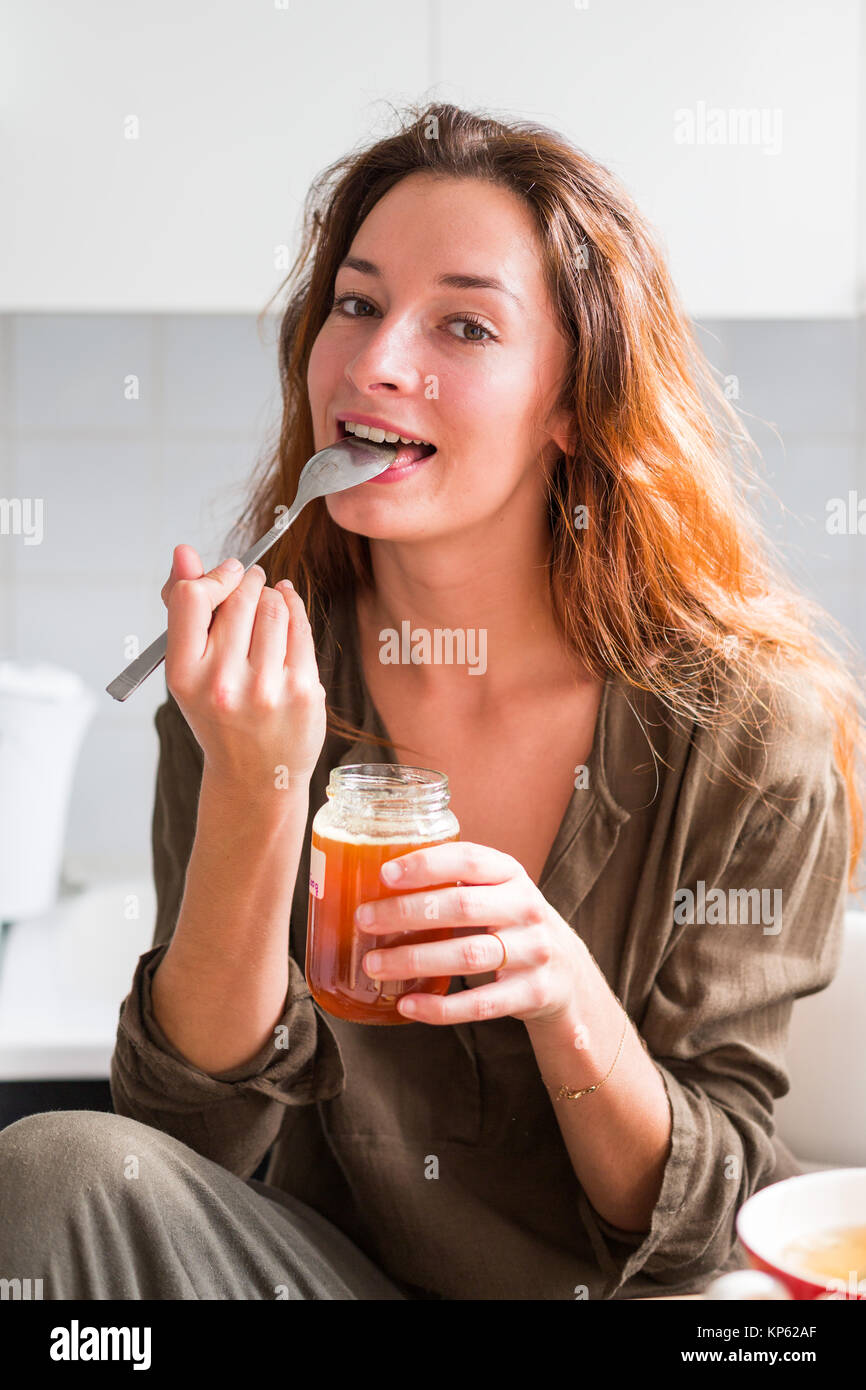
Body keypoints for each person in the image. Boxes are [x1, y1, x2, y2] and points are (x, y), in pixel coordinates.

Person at [0, 101, 862, 1301]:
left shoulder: (745, 729)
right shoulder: (252, 693)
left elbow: (704, 1225)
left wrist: (561, 993)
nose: (374, 359)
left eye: (462, 323)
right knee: (55, 1169)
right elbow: (186, 1152)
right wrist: (257, 784)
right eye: (355, 304)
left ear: (570, 404)